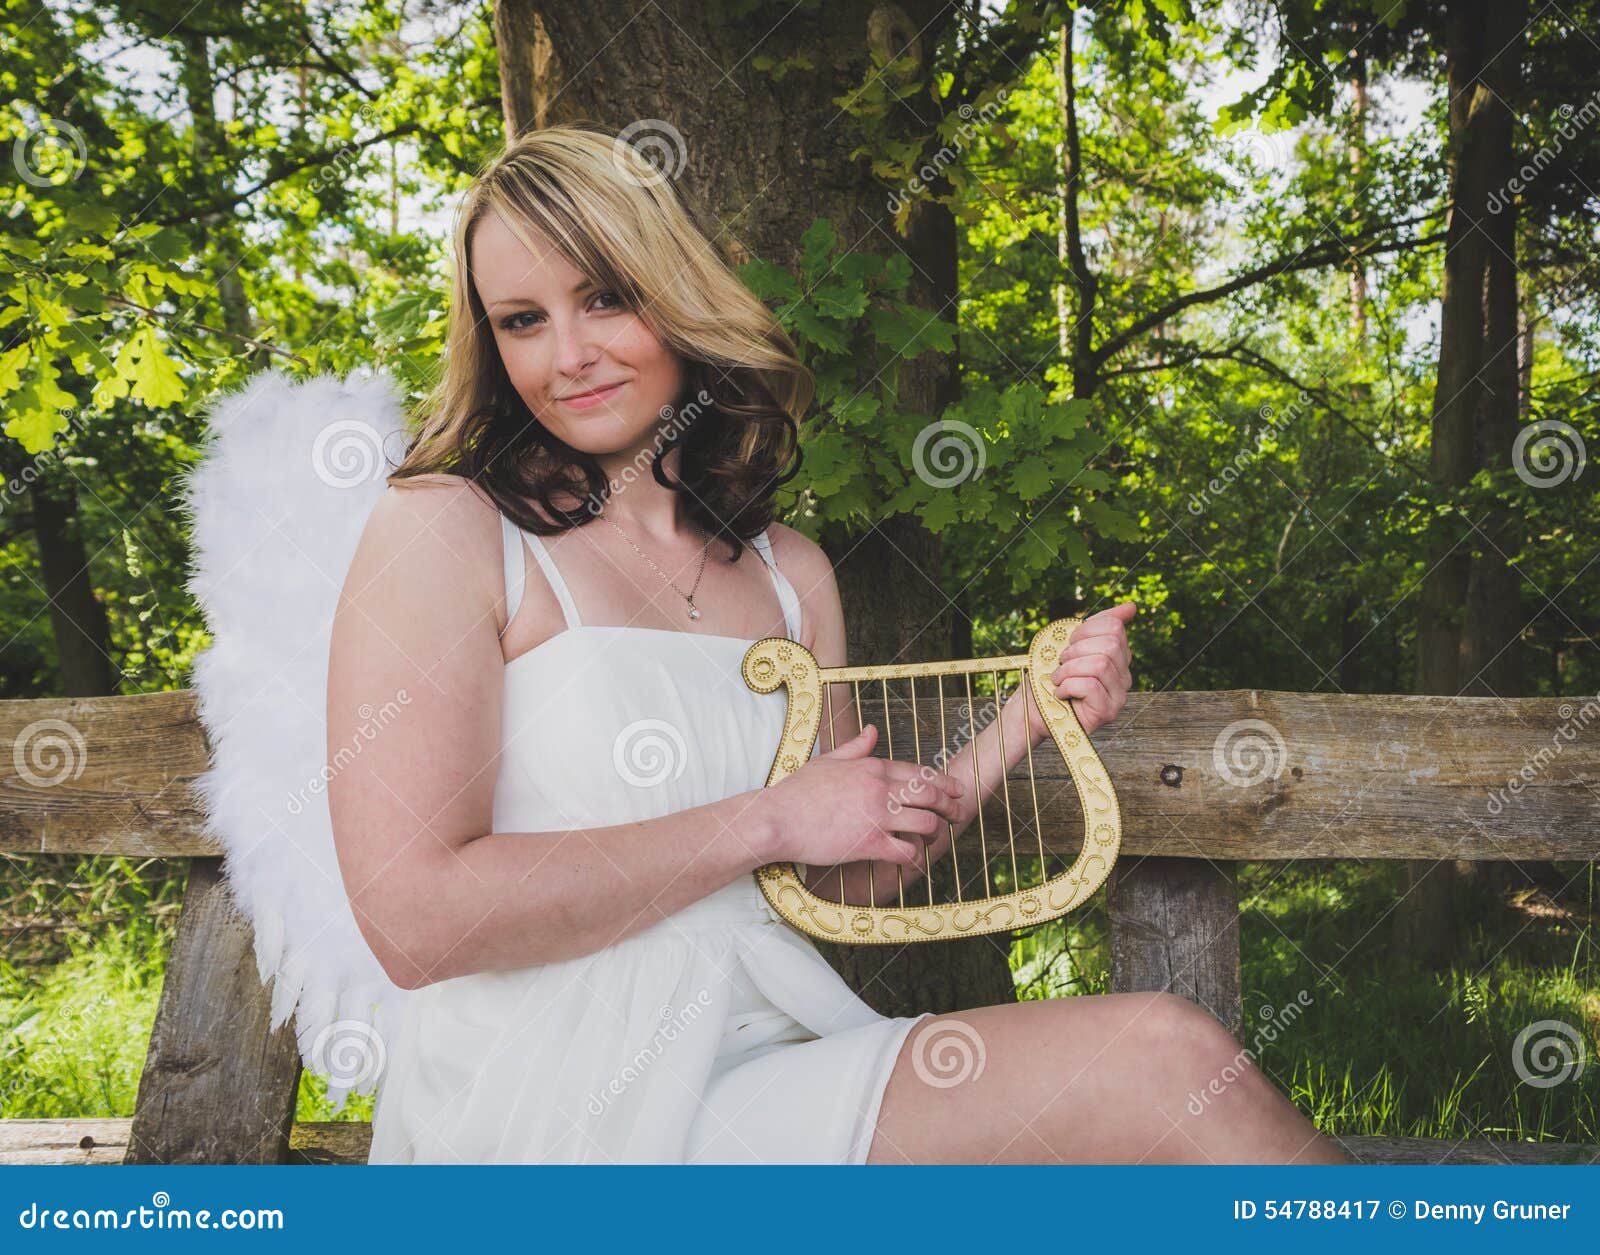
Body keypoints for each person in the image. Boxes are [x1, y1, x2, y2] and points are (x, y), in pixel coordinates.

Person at [326, 122, 1352, 1165]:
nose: (569, 355)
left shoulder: (785, 573)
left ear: (673, 292)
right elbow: (416, 921)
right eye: (520, 319)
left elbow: (839, 880)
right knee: (1159, 1061)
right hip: (549, 1099)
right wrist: (765, 819)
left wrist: (1025, 721)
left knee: (1167, 1062)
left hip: (768, 1059)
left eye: (604, 296)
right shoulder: (447, 529)